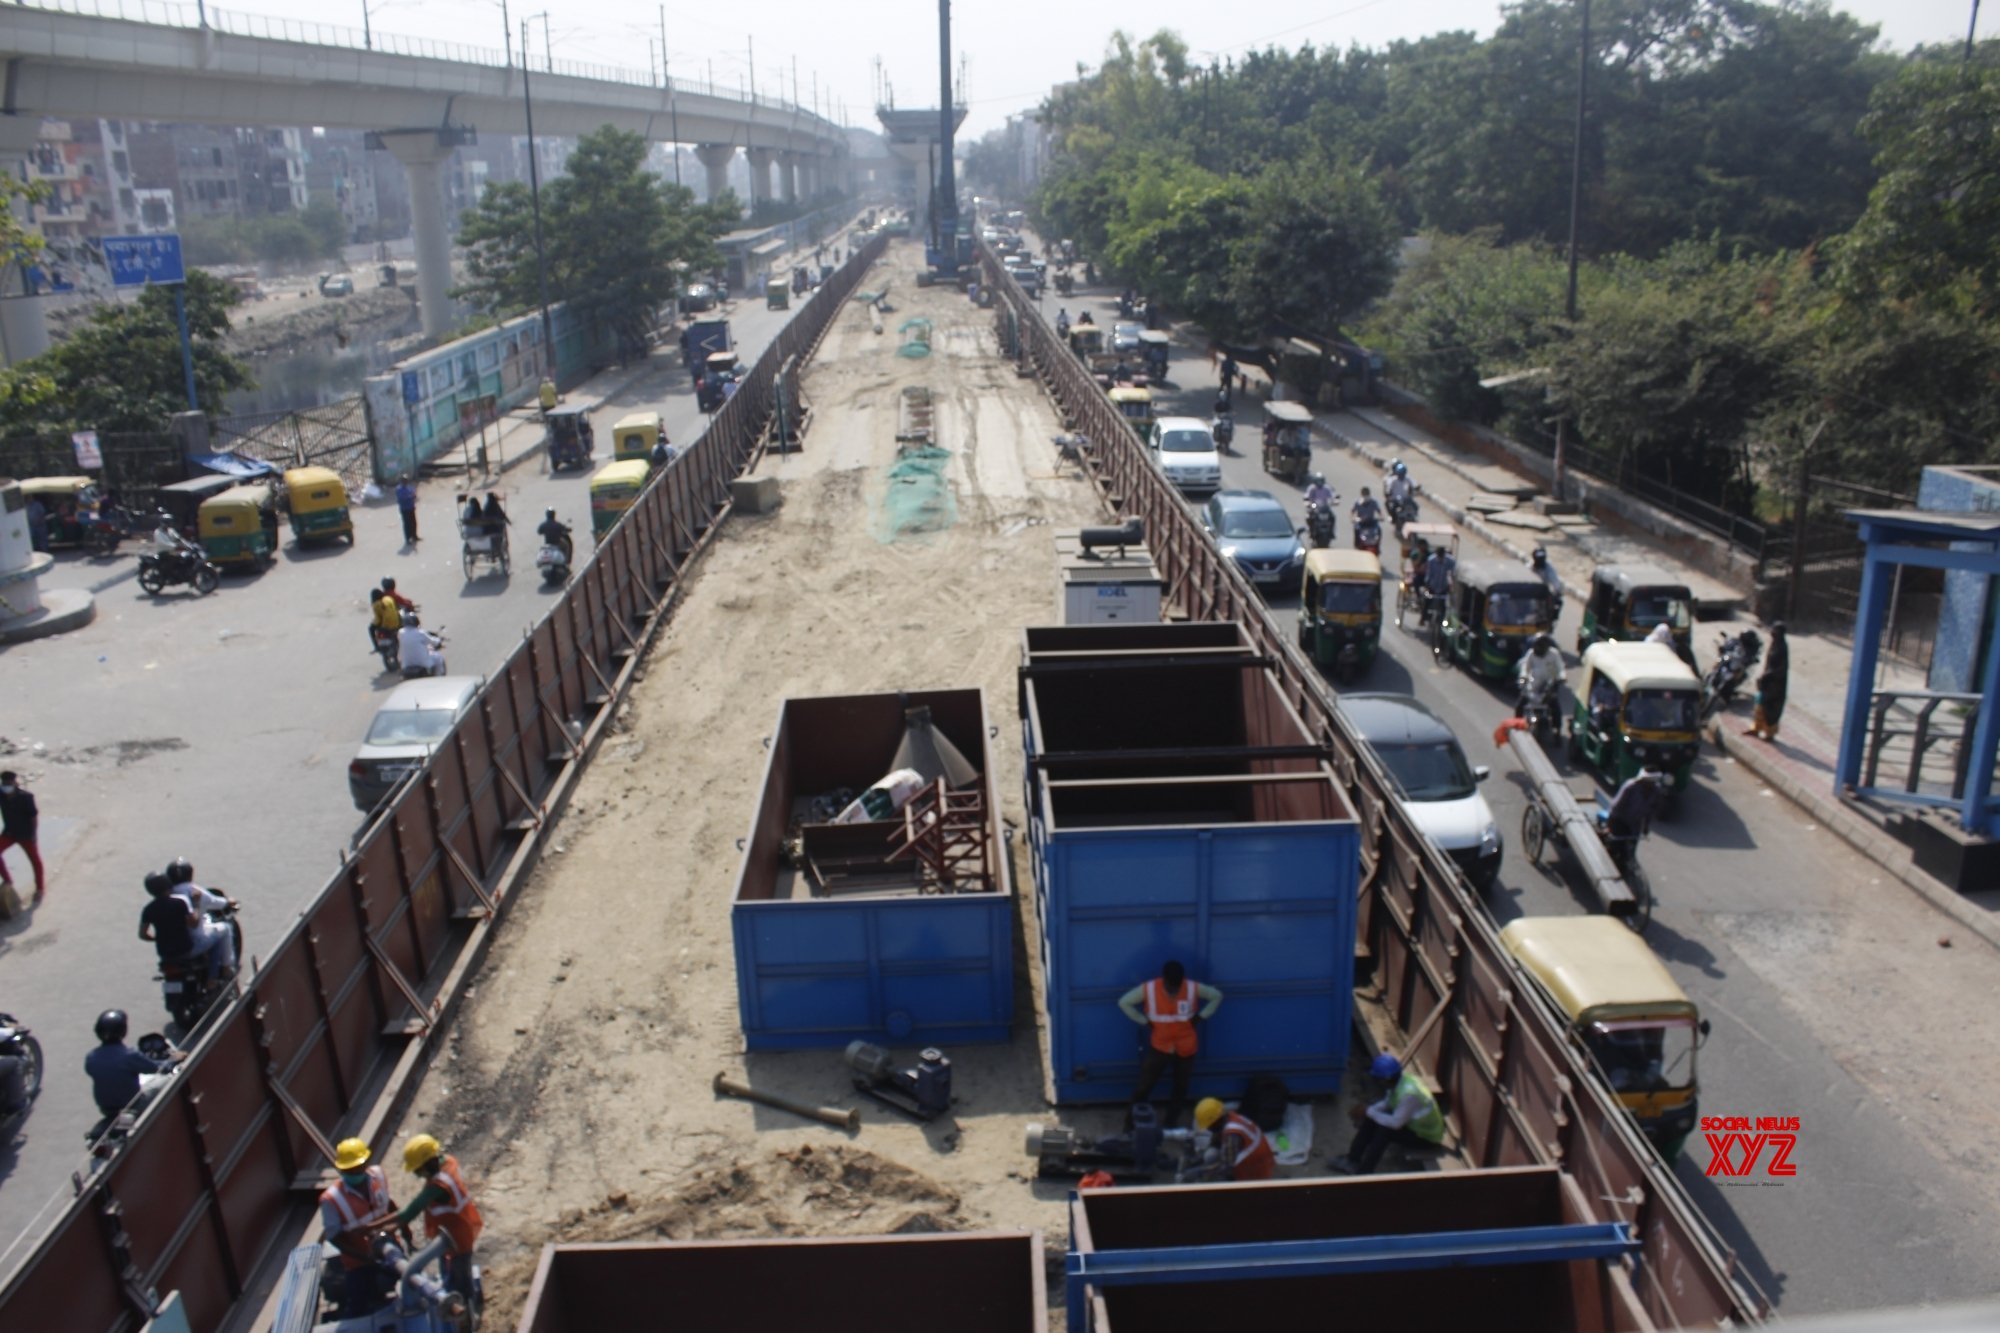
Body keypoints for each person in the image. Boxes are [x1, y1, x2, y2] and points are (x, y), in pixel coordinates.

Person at [1118, 960, 1224, 1128]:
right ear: (1164, 980)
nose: (1174, 992)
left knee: (1180, 1088)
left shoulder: (1191, 988)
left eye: (1177, 987)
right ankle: (1129, 1125)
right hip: (1160, 1046)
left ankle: (1170, 1123)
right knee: (1143, 1088)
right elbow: (1124, 1002)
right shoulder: (1150, 989)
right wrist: (1144, 1021)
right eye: (1170, 987)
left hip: (1186, 1047)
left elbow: (1217, 996)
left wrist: (1200, 1017)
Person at [393, 1133, 484, 1306]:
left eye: (419, 1170)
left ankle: (468, 1312)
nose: (418, 1175)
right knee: (449, 1271)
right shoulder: (449, 1162)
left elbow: (410, 1211)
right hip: (454, 1230)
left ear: (429, 1163)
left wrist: (383, 1226)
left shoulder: (437, 1186)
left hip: (457, 1238)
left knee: (460, 1280)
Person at [320, 1138, 404, 1319]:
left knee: (407, 1285)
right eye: (349, 1170)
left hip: (389, 1249)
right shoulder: (332, 1199)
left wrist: (404, 1229)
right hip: (359, 1262)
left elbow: (389, 1204)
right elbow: (334, 1237)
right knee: (358, 1305)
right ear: (341, 1170)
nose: (355, 1172)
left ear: (365, 1163)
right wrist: (365, 1258)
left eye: (358, 1167)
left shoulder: (378, 1175)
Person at [1331, 1053, 1445, 1174]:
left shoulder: (1410, 1095)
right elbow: (1388, 1101)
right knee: (1372, 1117)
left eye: (1378, 1079)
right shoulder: (1401, 1080)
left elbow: (1396, 1124)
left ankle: (1364, 1172)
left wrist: (1368, 1111)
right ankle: (1352, 1159)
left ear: (1386, 1079)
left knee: (1385, 1132)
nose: (1377, 1082)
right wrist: (1369, 1110)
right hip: (1411, 1125)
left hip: (1426, 1137)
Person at [83, 1010, 182, 1123]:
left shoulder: (91, 1058)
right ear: (123, 1030)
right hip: (133, 1105)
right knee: (165, 1083)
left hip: (106, 1109)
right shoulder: (129, 1055)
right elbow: (157, 1068)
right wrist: (174, 1061)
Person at [139, 871, 228, 978]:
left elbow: (143, 934)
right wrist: (196, 903)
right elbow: (194, 924)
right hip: (187, 950)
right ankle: (213, 979)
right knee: (219, 936)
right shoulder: (180, 901)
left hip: (165, 956)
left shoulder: (148, 909)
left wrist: (158, 938)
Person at [165, 857, 238, 976]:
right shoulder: (195, 892)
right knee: (225, 929)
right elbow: (216, 903)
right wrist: (229, 901)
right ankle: (226, 968)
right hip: (193, 944)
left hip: (169, 948)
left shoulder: (166, 896)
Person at [1193, 1098, 1275, 1181]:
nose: (1209, 1129)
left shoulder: (1232, 1135)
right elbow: (1216, 1141)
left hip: (1256, 1173)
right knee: (1210, 1155)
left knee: (1219, 1180)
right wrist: (1198, 1160)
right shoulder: (1229, 1118)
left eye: (1209, 1126)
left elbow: (1225, 1166)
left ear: (1215, 1122)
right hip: (1261, 1161)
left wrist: (1200, 1171)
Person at [0, 771, 45, 905]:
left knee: (35, 861)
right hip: (10, 833)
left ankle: (40, 889)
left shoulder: (26, 797)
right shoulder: (1, 795)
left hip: (26, 834)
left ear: (15, 783)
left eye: (8, 783)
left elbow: (33, 817)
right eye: (4, 784)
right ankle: (8, 881)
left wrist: (33, 835)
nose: (6, 786)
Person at [1749, 622, 1789, 741]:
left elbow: (1779, 669)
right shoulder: (1775, 644)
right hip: (1768, 682)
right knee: (1759, 704)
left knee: (1771, 710)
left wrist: (1766, 676)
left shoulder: (1782, 648)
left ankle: (1769, 733)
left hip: (1776, 685)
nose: (1772, 633)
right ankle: (1756, 728)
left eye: (1775, 631)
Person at [1605, 767, 1665, 843]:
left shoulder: (1656, 792)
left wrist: (1646, 827)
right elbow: (1616, 806)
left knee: (1631, 846)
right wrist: (1610, 824)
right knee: (1617, 844)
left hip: (1635, 824)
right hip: (1620, 821)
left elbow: (1651, 811)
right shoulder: (1630, 787)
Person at [1517, 633, 1564, 716]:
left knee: (1556, 709)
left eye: (1540, 646)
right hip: (1533, 684)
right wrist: (1523, 677)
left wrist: (1562, 677)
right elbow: (1525, 666)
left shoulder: (1554, 654)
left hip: (1548, 686)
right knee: (1520, 706)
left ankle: (1557, 727)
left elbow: (1560, 667)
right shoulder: (1531, 653)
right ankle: (1516, 725)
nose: (1538, 648)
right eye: (1536, 645)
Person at [398, 611, 446, 677]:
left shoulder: (401, 633)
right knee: (438, 657)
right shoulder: (420, 633)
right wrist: (439, 641)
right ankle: (439, 678)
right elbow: (433, 642)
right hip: (423, 664)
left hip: (406, 665)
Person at [1421, 545, 1455, 625]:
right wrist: (1426, 586)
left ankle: (1442, 624)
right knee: (1426, 602)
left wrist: (1451, 585)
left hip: (1443, 587)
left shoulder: (1450, 561)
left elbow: (1452, 574)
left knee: (1443, 606)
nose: (1440, 558)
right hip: (1432, 586)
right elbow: (1429, 574)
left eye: (1442, 556)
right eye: (1439, 556)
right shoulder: (1431, 560)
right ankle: (1423, 618)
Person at [1529, 547, 1562, 617]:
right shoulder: (1529, 567)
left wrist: (1558, 591)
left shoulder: (1548, 568)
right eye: (1538, 559)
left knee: (1558, 603)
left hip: (1543, 591)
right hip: (1530, 592)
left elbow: (1554, 580)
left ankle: (1551, 620)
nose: (1540, 561)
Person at [370, 586, 402, 654]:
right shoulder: (388, 599)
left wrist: (373, 623)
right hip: (397, 623)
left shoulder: (376, 605)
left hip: (386, 627)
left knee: (371, 628)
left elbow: (378, 619)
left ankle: (376, 647)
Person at [395, 475, 419, 546]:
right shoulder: (399, 489)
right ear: (401, 481)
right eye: (404, 481)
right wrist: (411, 497)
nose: (406, 482)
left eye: (406, 480)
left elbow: (413, 494)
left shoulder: (409, 487)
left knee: (413, 523)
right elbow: (402, 498)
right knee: (407, 524)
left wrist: (414, 496)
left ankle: (414, 536)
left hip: (411, 507)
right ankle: (408, 538)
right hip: (405, 509)